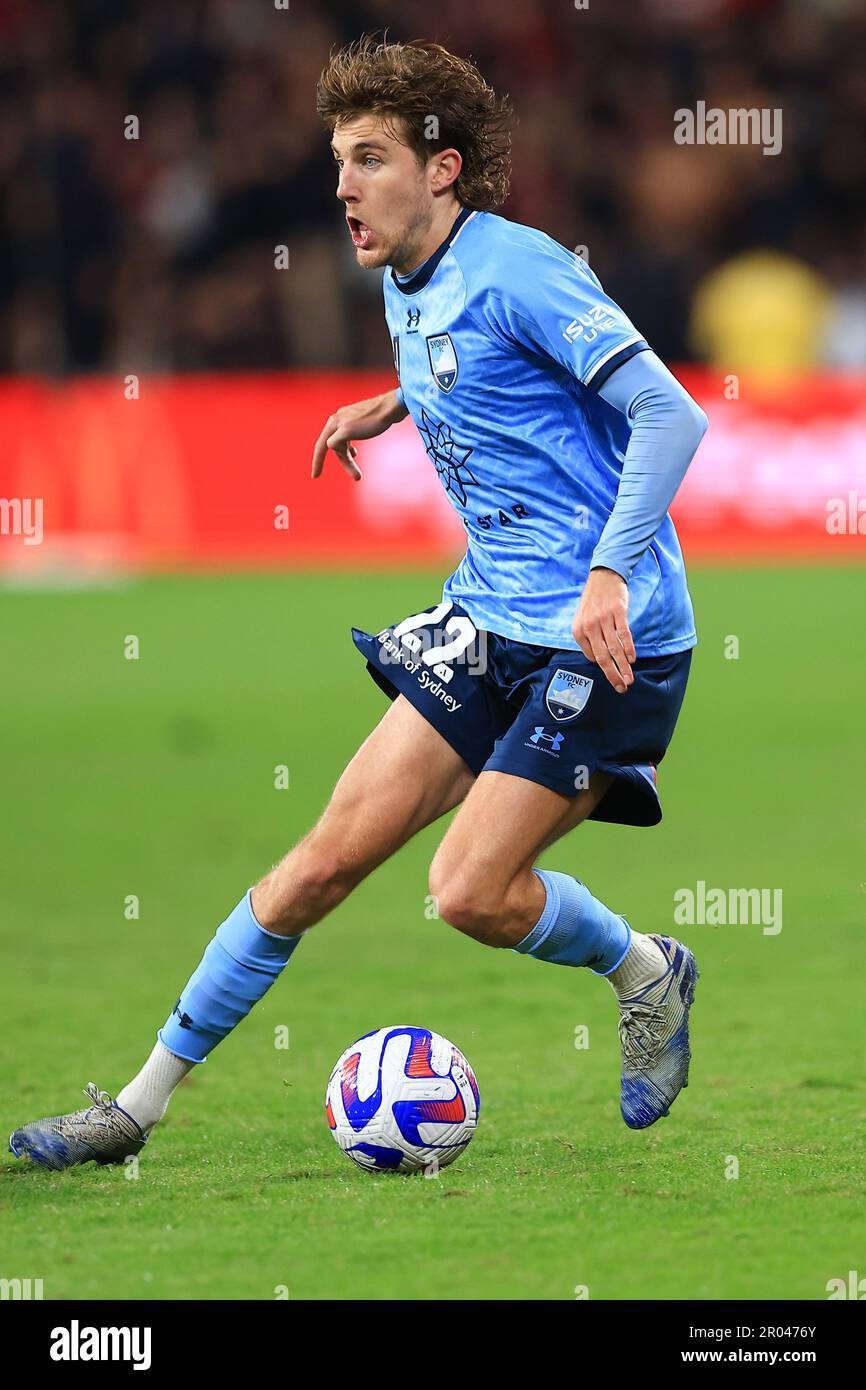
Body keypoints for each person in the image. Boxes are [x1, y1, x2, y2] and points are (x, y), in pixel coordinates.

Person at [10, 35, 708, 1171]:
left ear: (442, 169)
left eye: (370, 157)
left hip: (607, 635)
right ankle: (136, 1107)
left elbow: (670, 416)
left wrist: (607, 573)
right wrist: (396, 402)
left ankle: (644, 970)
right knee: (318, 863)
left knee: (468, 891)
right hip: (487, 619)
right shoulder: (402, 274)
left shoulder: (522, 264)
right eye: (337, 158)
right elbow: (479, 361)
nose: (341, 185)